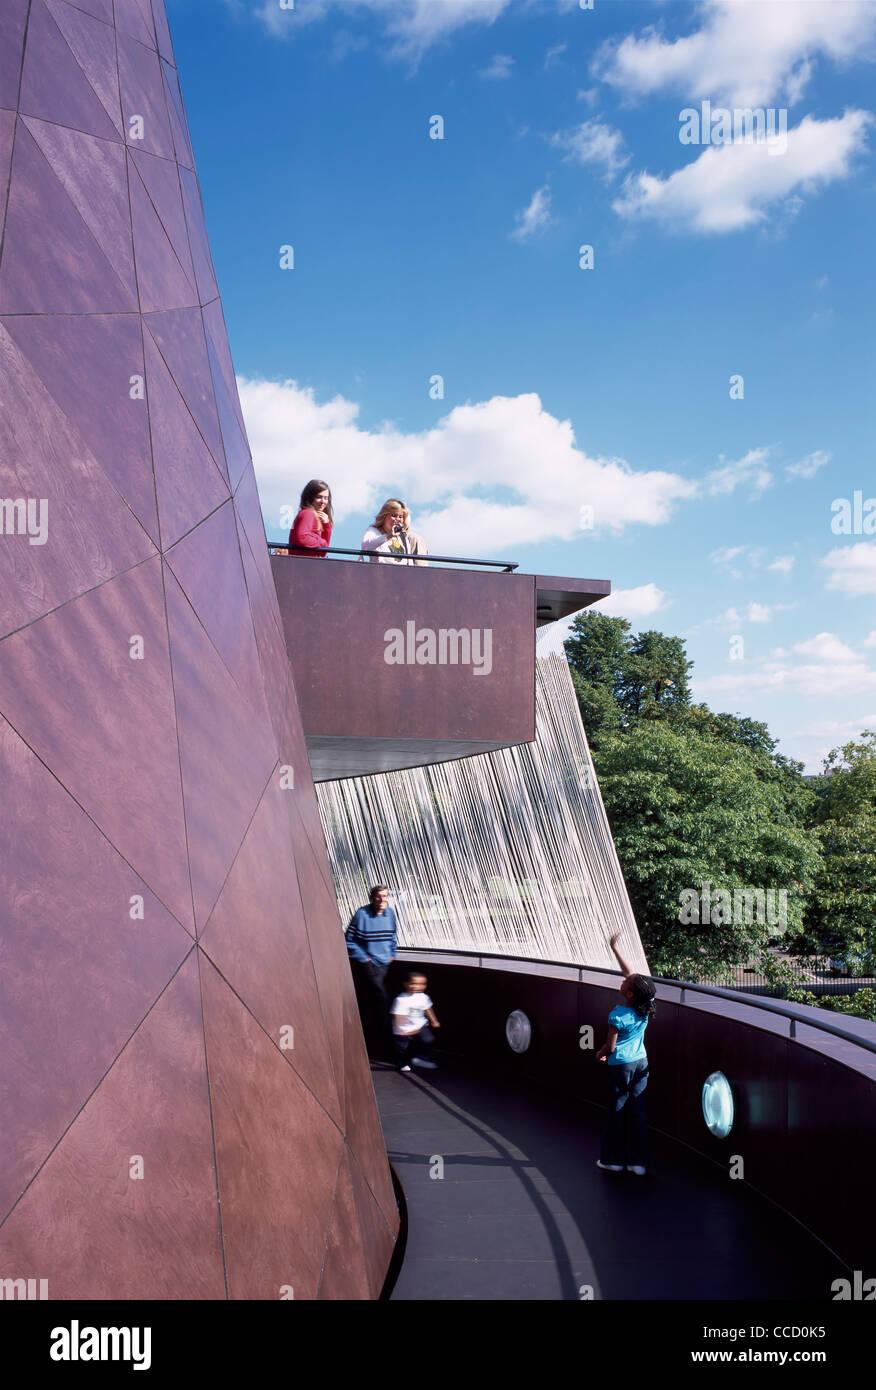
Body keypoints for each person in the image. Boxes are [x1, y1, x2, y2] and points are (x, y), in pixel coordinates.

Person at [595, 930, 657, 1175]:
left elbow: (610, 1047)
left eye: (625, 984)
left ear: (629, 994)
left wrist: (599, 1053)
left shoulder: (618, 1015)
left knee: (617, 1111)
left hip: (621, 1066)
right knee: (638, 1111)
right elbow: (631, 975)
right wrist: (615, 948)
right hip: (641, 1063)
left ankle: (613, 1161)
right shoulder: (647, 1003)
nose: (623, 980)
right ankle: (638, 1163)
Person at [345, 885, 397, 1055]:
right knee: (382, 1000)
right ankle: (381, 1044)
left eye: (385, 896)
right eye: (378, 897)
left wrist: (392, 953)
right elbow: (349, 940)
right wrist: (365, 959)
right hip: (370, 965)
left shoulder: (390, 914)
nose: (382, 900)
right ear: (371, 898)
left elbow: (392, 936)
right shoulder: (362, 914)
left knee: (380, 1002)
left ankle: (377, 1042)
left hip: (385, 965)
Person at [391, 973, 440, 1073]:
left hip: (420, 1025)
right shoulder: (401, 1000)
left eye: (422, 984)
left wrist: (434, 1020)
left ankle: (421, 1058)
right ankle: (402, 1064)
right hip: (404, 1029)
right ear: (406, 984)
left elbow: (428, 1009)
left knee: (428, 1040)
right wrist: (401, 1030)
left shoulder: (424, 997)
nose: (417, 987)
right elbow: (398, 1016)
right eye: (413, 983)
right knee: (403, 1049)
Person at [360, 499, 428, 566]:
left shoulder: (402, 536)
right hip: (381, 574)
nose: (397, 519)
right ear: (384, 516)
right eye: (394, 515)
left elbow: (409, 562)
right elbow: (366, 546)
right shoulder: (373, 531)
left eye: (400, 517)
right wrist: (388, 536)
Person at [289, 480, 333, 557]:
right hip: (303, 564)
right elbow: (302, 538)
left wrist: (326, 525)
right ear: (310, 497)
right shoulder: (308, 513)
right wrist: (322, 543)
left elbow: (323, 552)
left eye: (326, 498)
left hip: (308, 564)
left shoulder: (314, 516)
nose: (323, 501)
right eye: (319, 497)